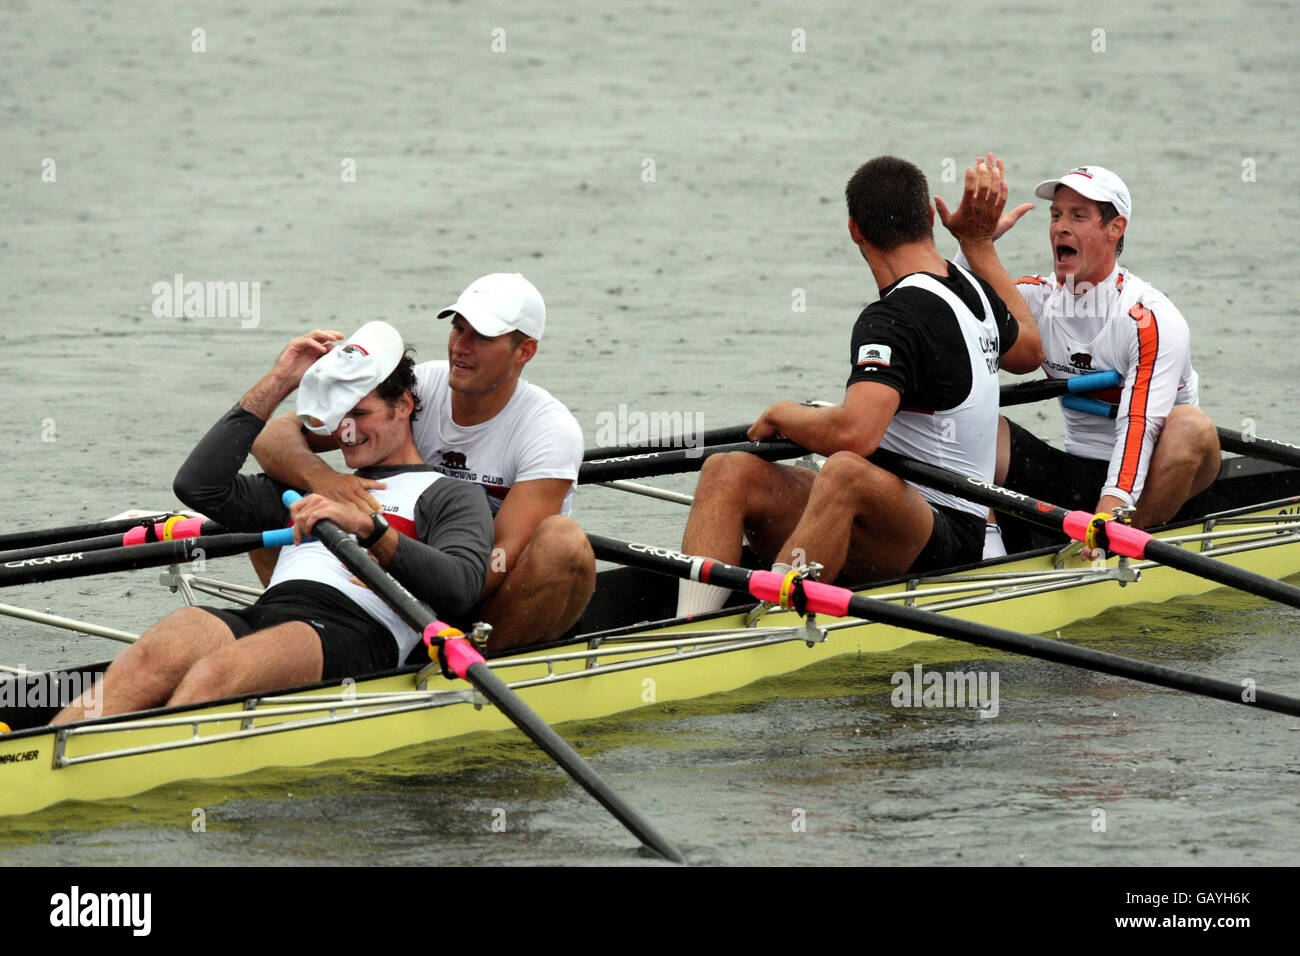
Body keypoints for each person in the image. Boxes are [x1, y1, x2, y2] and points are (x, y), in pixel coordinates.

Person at [52, 322, 494, 724]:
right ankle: (45, 755)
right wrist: (280, 378)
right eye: (339, 417)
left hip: (357, 633)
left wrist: (368, 529)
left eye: (360, 414)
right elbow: (199, 486)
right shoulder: (308, 486)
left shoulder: (449, 493)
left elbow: (460, 587)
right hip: (270, 611)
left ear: (402, 405)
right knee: (164, 644)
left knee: (212, 675)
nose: (346, 432)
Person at [675, 155, 1044, 617]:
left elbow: (855, 433)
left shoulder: (892, 318)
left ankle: (771, 620)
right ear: (929, 217)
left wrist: (784, 414)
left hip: (947, 538)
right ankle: (690, 628)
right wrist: (978, 243)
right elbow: (1029, 351)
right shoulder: (974, 286)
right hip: (889, 518)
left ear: (855, 231)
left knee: (845, 470)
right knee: (727, 470)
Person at [250, 274, 593, 650]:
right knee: (280, 488)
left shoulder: (549, 430)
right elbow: (272, 437)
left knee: (564, 542)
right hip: (401, 564)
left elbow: (501, 554)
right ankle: (297, 622)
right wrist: (323, 478)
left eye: (480, 336)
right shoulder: (420, 388)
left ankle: (476, 664)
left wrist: (407, 582)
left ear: (524, 351)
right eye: (458, 329)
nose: (461, 347)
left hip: (482, 590)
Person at [940, 156, 1221, 555]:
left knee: (1191, 426)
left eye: (1078, 215)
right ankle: (987, 548)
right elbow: (945, 313)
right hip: (1077, 474)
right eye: (1055, 215)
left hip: (1163, 480)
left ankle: (1119, 539)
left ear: (1115, 229)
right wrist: (973, 243)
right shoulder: (1035, 297)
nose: (1061, 227)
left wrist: (1107, 517)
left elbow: (1138, 427)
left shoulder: (1149, 318)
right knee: (975, 420)